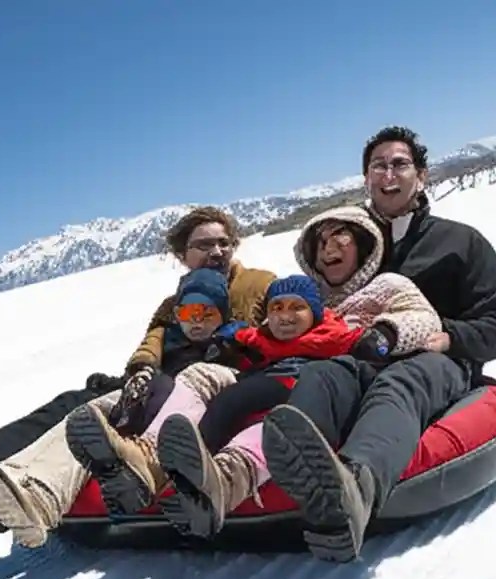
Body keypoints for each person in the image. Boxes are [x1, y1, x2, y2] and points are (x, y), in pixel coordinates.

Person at [0, 206, 275, 552]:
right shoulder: (174, 303)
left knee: (101, 413)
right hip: (161, 380)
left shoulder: (257, 283)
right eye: (204, 245)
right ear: (182, 256)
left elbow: (289, 323)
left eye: (224, 242)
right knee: (74, 402)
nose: (217, 251)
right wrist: (138, 370)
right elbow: (152, 341)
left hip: (208, 383)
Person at [260, 125, 496, 563]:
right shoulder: (351, 241)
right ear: (366, 179)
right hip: (361, 355)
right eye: (378, 166)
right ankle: (291, 478)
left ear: (422, 175)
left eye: (399, 164)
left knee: (400, 381)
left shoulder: (459, 242)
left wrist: (452, 338)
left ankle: (355, 492)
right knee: (323, 375)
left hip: (434, 359)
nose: (388, 174)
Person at [155, 206, 443, 539]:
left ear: (363, 244)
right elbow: (266, 334)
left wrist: (385, 334)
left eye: (340, 239)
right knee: (228, 393)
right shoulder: (311, 296)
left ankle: (299, 459)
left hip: (342, 375)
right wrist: (235, 342)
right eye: (319, 243)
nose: (329, 249)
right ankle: (191, 467)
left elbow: (422, 318)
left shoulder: (387, 284)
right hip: (284, 374)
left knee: (305, 385)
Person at [65, 273, 367, 519]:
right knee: (201, 373)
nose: (285, 316)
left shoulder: (335, 336)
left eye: (296, 307)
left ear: (314, 313)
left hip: (297, 388)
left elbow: (376, 344)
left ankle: (214, 472)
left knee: (238, 404)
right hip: (257, 378)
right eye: (277, 308)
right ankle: (148, 458)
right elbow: (241, 335)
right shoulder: (260, 337)